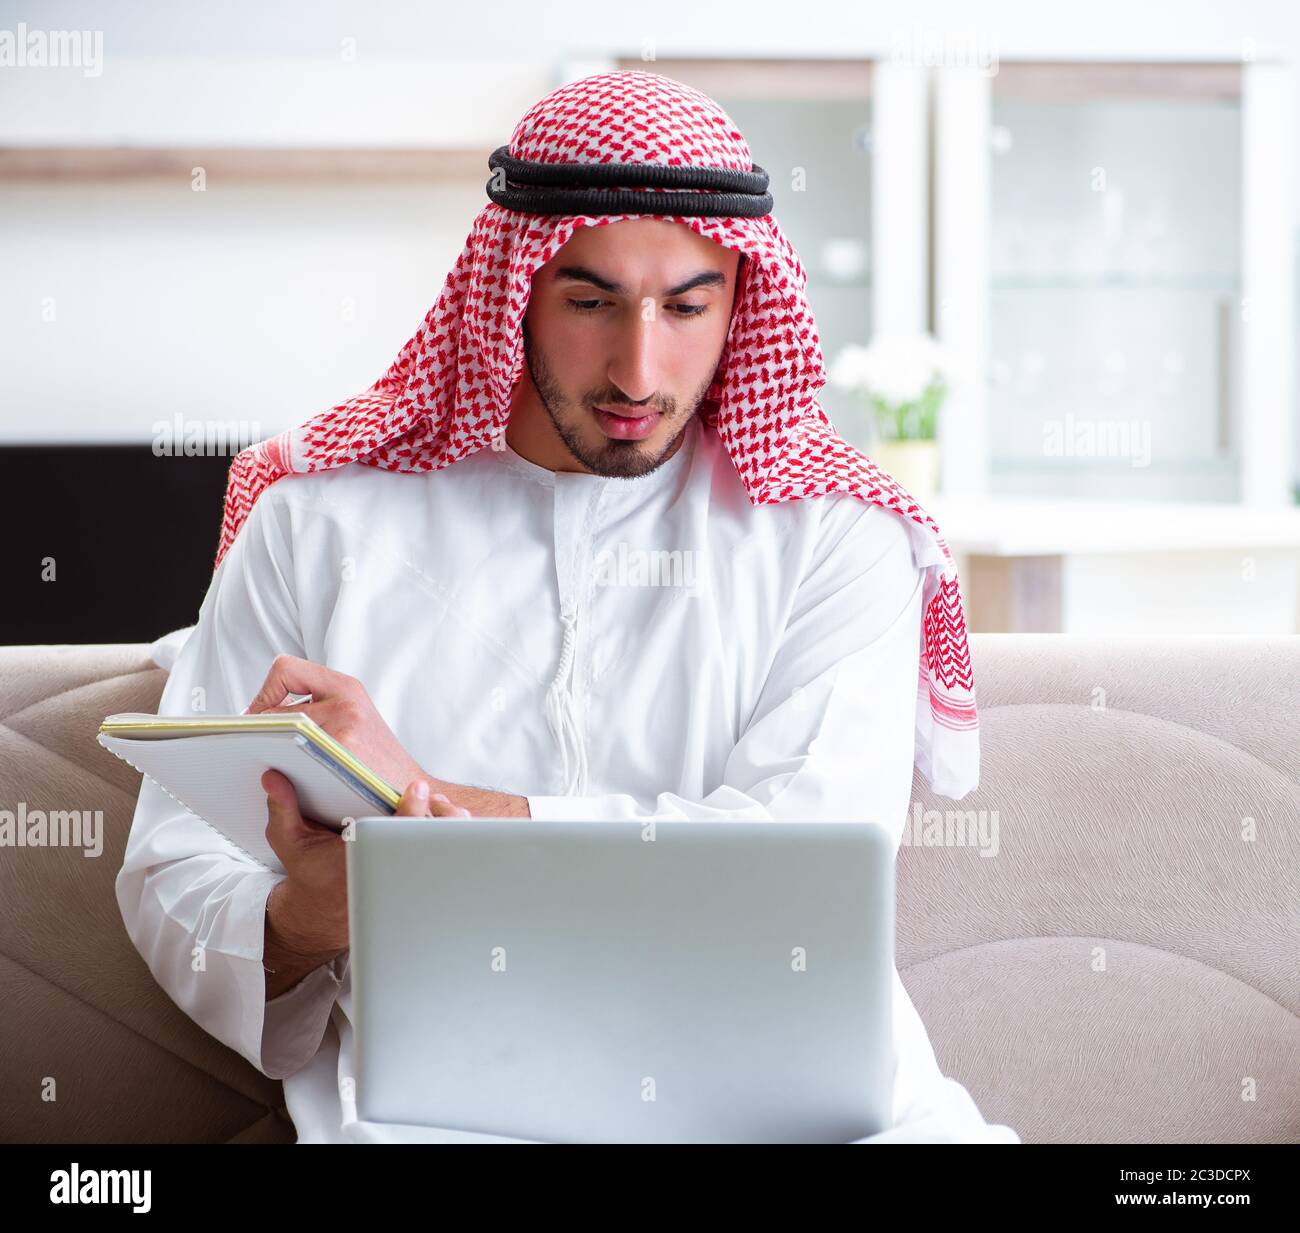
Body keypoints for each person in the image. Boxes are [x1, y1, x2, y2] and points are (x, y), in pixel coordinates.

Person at [116, 70, 1016, 1144]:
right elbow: (176, 867)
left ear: (744, 300)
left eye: (687, 306)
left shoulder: (835, 537)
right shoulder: (318, 526)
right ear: (513, 292)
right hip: (449, 1125)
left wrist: (417, 817)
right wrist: (309, 915)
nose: (638, 368)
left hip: (825, 1122)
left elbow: (795, 866)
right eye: (590, 302)